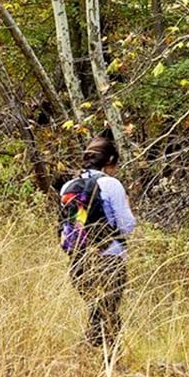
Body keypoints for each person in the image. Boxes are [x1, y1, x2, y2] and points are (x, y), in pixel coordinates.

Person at [61, 135, 136, 349]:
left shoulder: (68, 186)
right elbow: (127, 226)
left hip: (78, 260)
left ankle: (96, 355)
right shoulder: (111, 184)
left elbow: (65, 227)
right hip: (109, 258)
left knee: (97, 310)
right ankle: (99, 356)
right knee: (107, 313)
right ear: (110, 160)